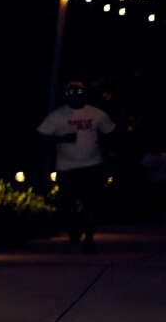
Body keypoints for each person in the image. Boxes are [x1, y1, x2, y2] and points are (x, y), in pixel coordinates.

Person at [36, 80, 116, 252]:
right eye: (71, 93)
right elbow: (41, 137)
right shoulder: (57, 116)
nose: (75, 97)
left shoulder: (96, 114)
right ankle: (75, 225)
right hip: (66, 167)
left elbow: (110, 133)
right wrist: (61, 139)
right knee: (68, 204)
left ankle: (89, 239)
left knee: (90, 202)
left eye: (78, 93)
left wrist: (106, 152)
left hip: (91, 164)